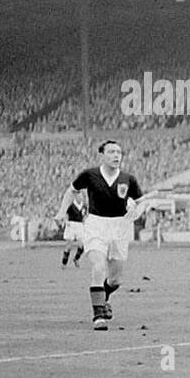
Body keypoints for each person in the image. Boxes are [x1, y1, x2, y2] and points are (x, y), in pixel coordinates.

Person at [53, 139, 145, 330]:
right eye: (111, 152)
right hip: (96, 224)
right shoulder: (89, 175)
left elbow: (140, 201)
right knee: (97, 266)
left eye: (119, 152)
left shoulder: (129, 179)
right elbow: (71, 191)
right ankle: (98, 317)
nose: (116, 155)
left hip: (120, 227)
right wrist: (62, 211)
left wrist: (137, 211)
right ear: (101, 155)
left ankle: (105, 297)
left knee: (116, 280)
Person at [60, 196, 86, 268]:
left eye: (81, 197)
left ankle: (76, 259)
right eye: (79, 196)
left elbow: (84, 216)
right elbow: (66, 214)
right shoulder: (71, 205)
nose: (80, 198)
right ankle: (64, 263)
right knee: (69, 245)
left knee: (82, 244)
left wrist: (85, 222)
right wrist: (66, 221)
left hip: (80, 225)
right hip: (71, 225)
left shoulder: (83, 206)